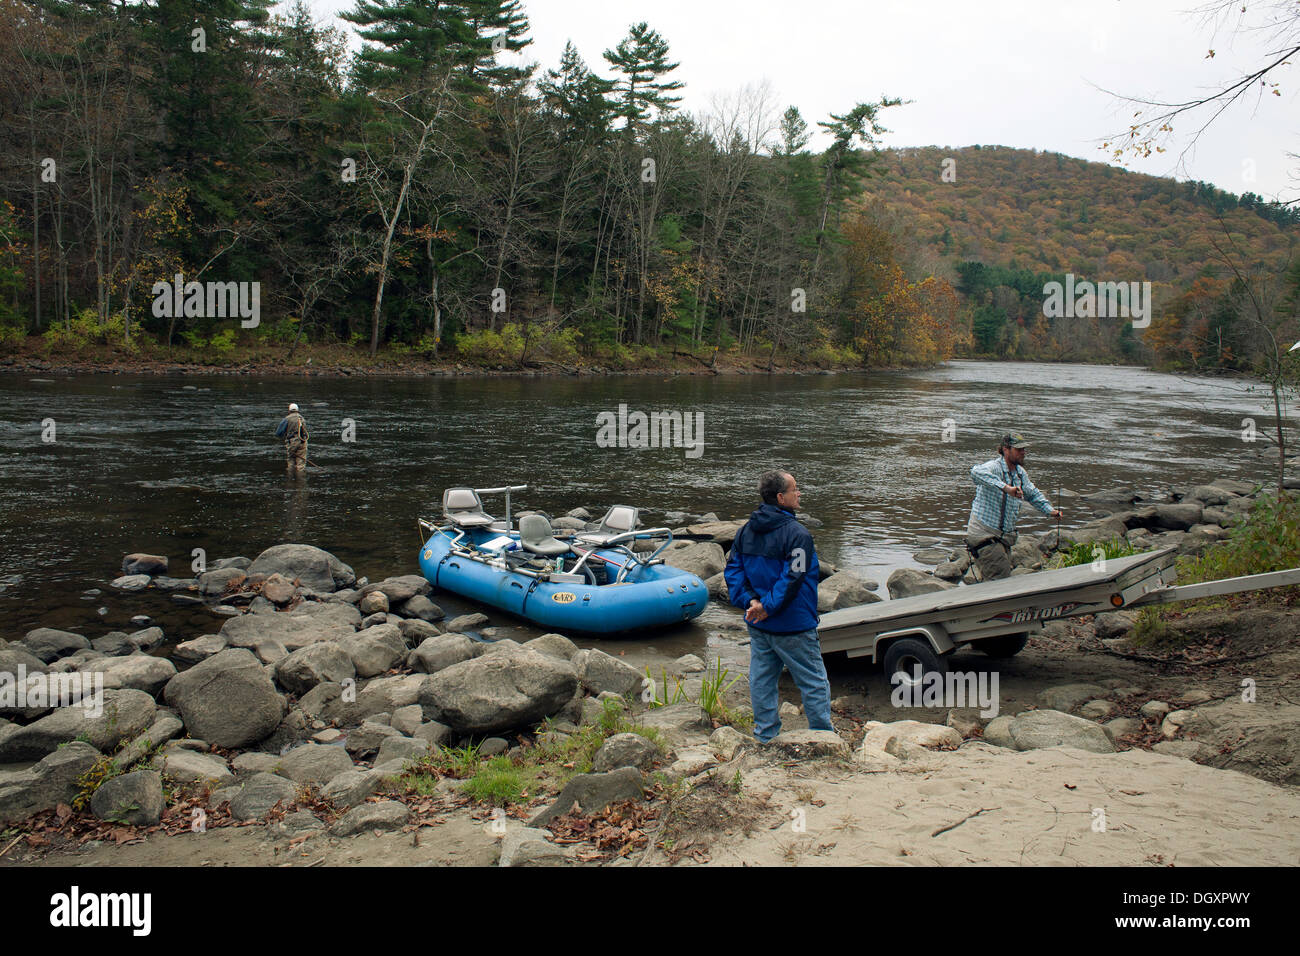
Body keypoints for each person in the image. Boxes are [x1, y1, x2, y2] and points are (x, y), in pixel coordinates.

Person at [724, 470, 833, 743]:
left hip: (759, 623)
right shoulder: (798, 535)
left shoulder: (746, 531)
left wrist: (751, 602)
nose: (800, 493)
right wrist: (766, 607)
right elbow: (794, 578)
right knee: (813, 680)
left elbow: (734, 570)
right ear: (781, 498)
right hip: (792, 624)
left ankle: (765, 735)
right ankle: (822, 736)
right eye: (795, 489)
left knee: (762, 678)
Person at [967, 432, 1062, 581]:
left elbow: (1032, 494)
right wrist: (1006, 488)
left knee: (997, 580)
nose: (1023, 452)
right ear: (1006, 449)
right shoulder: (993, 467)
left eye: (1024, 449)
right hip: (984, 535)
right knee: (999, 580)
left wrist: (1050, 511)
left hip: (1002, 538)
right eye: (1019, 449)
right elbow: (975, 472)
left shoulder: (1019, 473)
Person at [275, 402, 309, 477]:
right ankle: (301, 482)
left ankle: (291, 480)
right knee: (301, 464)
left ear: (289, 410)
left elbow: (278, 433)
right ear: (297, 410)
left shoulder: (287, 419)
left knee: (291, 462)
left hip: (292, 443)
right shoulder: (302, 418)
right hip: (303, 442)